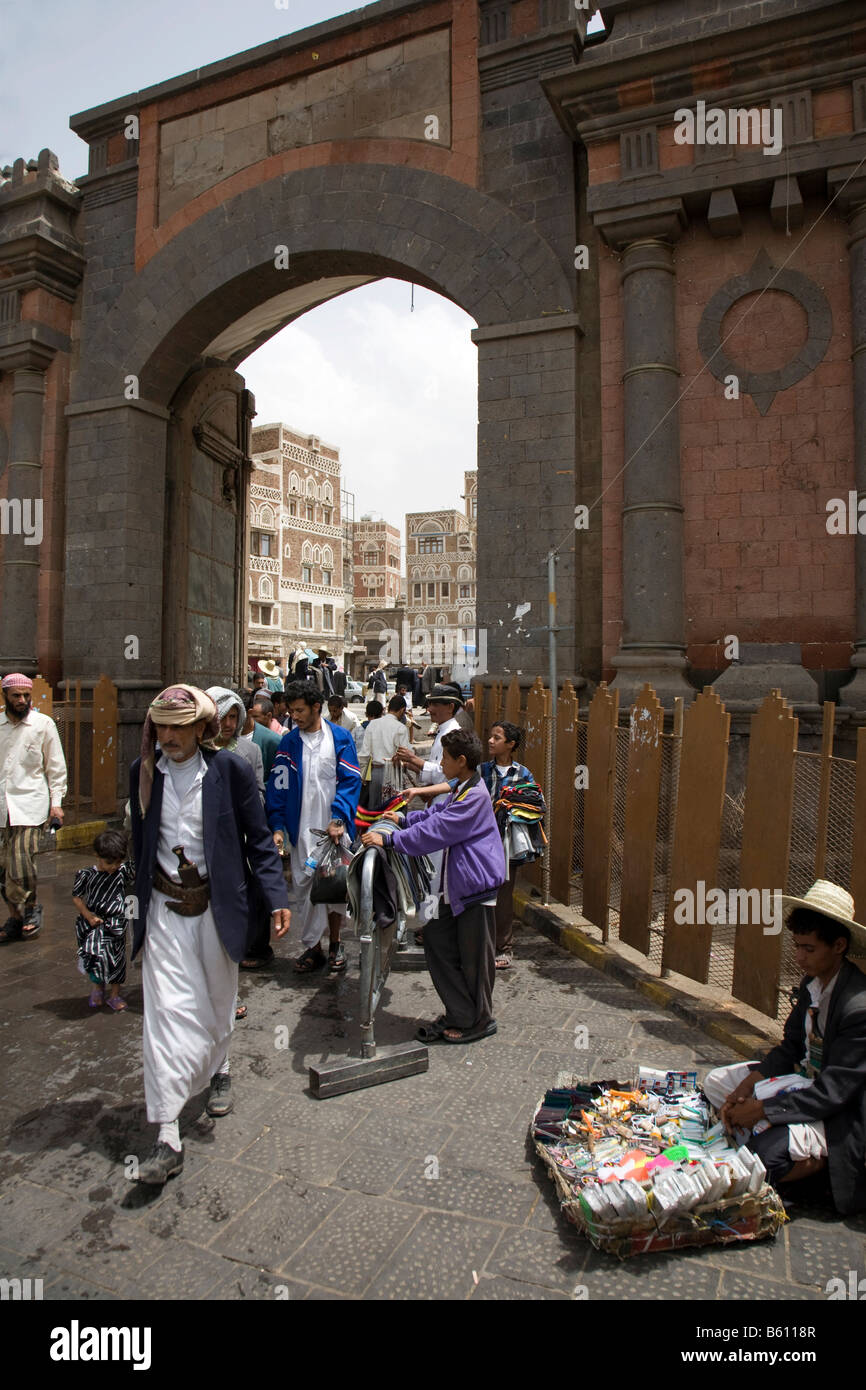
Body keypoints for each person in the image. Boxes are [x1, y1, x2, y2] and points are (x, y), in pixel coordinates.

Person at [128, 684, 290, 1185]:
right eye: (162, 726)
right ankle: (167, 1136)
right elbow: (139, 844)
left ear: (203, 728)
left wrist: (277, 895)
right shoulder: (143, 774)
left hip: (216, 910)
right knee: (167, 1016)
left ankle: (219, 1068)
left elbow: (258, 840)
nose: (170, 736)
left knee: (218, 1003)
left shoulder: (229, 771)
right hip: (163, 913)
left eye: (180, 726)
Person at [702, 879, 866, 1214]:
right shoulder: (812, 984)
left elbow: (833, 1093)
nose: (799, 957)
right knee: (716, 1084)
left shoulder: (858, 1008)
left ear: (838, 946)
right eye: (796, 946)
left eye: (808, 949)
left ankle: (815, 1167)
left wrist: (762, 1110)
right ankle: (755, 1134)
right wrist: (745, 1091)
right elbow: (791, 1046)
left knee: (765, 1153)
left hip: (838, 1108)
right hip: (799, 1079)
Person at [362, 729, 505, 1044]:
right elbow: (437, 814)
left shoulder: (474, 795)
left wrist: (389, 839)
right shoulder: (463, 787)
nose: (440, 763)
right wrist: (405, 821)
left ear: (461, 761)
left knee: (475, 959)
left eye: (445, 758)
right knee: (438, 941)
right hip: (458, 886)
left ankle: (478, 1019)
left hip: (474, 886)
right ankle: (461, 1012)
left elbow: (438, 830)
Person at [266, 680, 361, 974]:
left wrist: (338, 817)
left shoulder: (341, 738)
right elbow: (278, 787)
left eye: (299, 710)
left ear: (316, 708)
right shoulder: (288, 743)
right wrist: (279, 825)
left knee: (333, 886)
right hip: (301, 831)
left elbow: (350, 781)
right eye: (291, 711)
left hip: (334, 829)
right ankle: (312, 948)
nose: (293, 716)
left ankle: (335, 944)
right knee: (305, 888)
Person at [393, 684, 464, 945]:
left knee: (435, 873)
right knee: (431, 871)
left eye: (436, 705)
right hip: (437, 805)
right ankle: (428, 924)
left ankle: (432, 926)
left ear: (451, 707)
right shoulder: (443, 731)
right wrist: (412, 762)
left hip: (446, 808)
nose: (430, 709)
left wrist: (417, 762)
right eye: (430, 704)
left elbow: (450, 773)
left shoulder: (454, 733)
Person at [0, 673, 67, 942]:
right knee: (2, 869)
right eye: (16, 695)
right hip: (1, 807)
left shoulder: (43, 724)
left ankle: (31, 908)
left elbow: (55, 767)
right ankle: (15, 918)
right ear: (5, 695)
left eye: (26, 695)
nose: (22, 700)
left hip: (30, 805)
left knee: (21, 861)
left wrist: (57, 804)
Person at [72, 829, 134, 1012]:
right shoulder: (86, 875)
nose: (113, 866)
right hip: (94, 923)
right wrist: (88, 915)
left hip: (116, 923)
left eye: (117, 862)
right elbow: (77, 896)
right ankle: (97, 988)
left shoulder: (123, 871)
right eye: (109, 862)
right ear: (97, 856)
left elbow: (135, 884)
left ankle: (115, 994)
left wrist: (132, 916)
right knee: (95, 957)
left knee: (117, 959)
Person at [206, 686, 264, 797]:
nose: (228, 724)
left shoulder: (252, 751)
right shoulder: (196, 749)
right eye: (222, 717)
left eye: (232, 717)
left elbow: (259, 795)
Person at [360, 694, 413, 810]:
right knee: (393, 808)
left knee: (373, 810)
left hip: (374, 773)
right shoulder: (400, 728)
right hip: (393, 774)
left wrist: (362, 777)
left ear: (388, 708)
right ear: (403, 710)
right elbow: (406, 754)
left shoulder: (372, 724)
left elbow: (364, 755)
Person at [238, 689, 280, 780]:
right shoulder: (220, 737)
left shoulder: (273, 741)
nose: (228, 723)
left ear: (249, 713)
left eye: (234, 716)